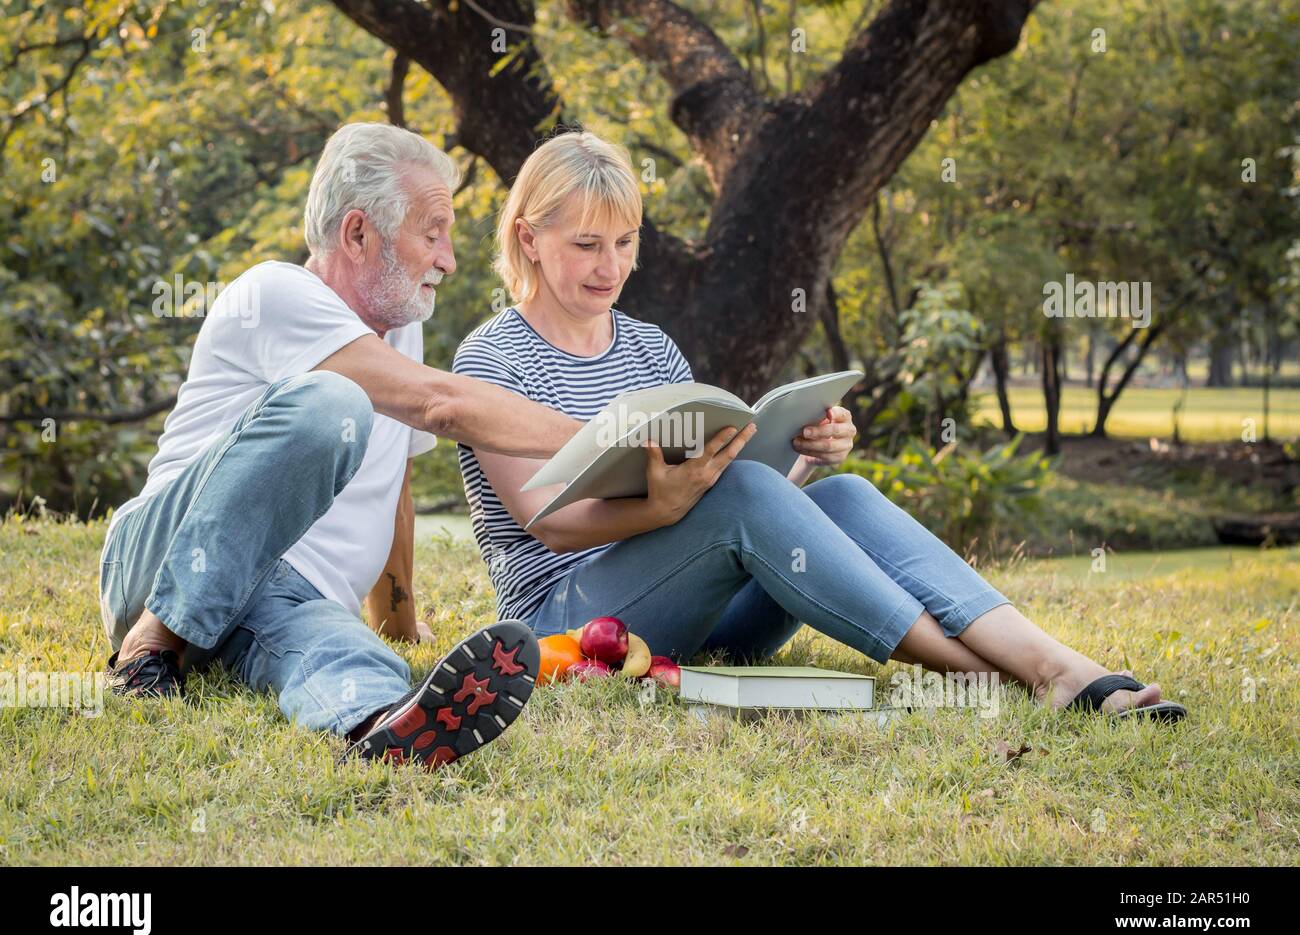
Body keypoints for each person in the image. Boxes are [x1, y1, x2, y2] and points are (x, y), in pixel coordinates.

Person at [452, 130, 1186, 722]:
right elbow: (548, 523)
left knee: (845, 495)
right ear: (528, 238)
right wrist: (666, 505)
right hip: (572, 625)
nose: (610, 265)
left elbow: (728, 499)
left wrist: (804, 458)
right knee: (739, 494)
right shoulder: (490, 357)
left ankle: (1047, 658)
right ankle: (1018, 674)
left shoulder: (650, 347)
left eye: (625, 241)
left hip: (710, 620)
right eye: (586, 244)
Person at [98, 123, 582, 768]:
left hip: (278, 598)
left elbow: (393, 490)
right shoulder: (272, 294)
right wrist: (611, 436)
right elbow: (446, 404)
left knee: (339, 648)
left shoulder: (398, 329)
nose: (448, 258)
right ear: (358, 234)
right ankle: (151, 644)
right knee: (333, 404)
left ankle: (383, 726)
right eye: (431, 233)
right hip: (163, 562)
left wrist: (399, 621)